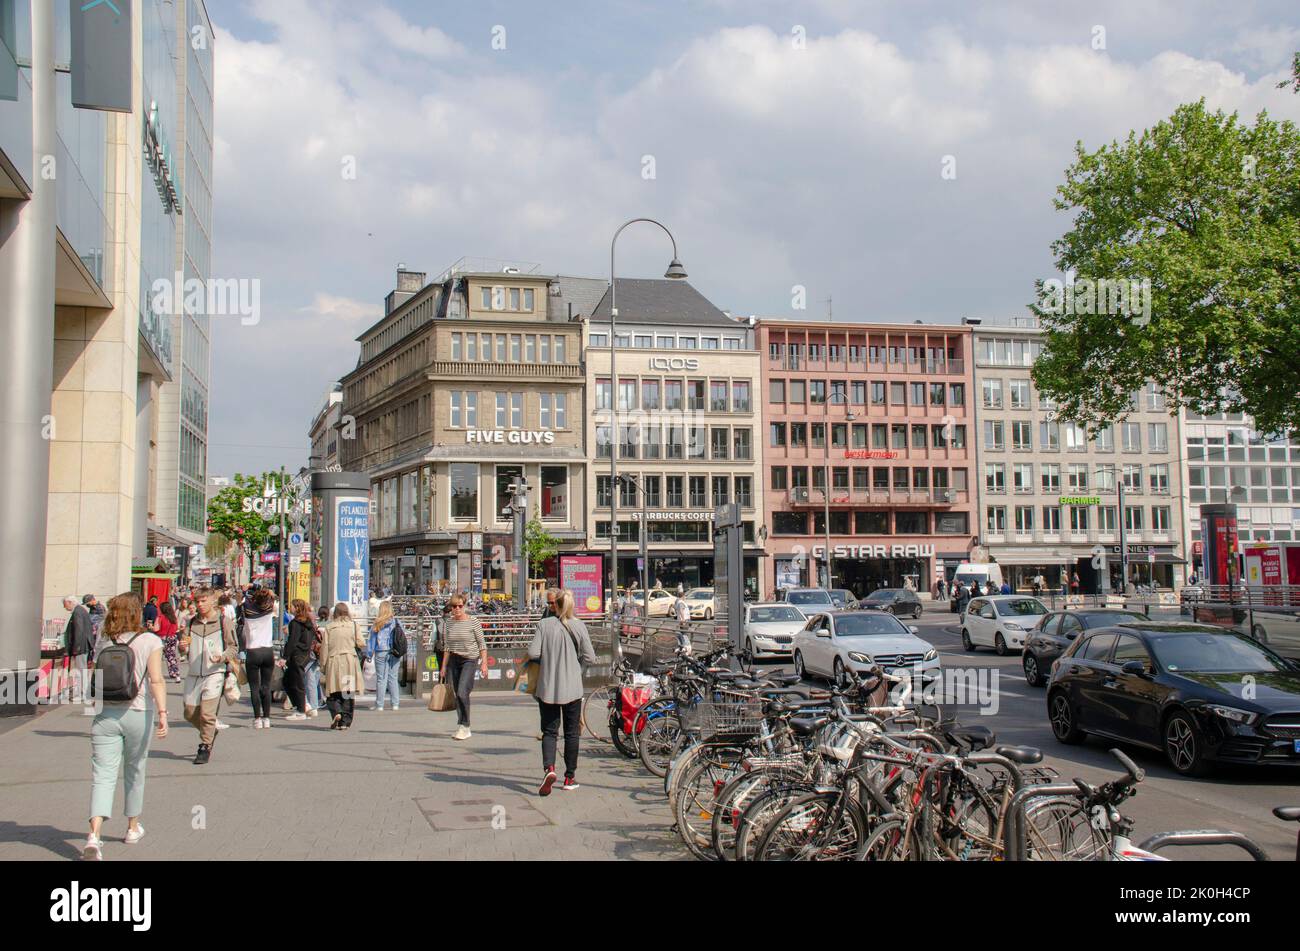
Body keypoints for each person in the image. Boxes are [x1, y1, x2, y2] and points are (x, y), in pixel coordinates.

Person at [82, 592, 167, 860]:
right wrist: (163, 713)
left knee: (102, 776)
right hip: (138, 713)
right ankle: (132, 828)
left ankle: (94, 835)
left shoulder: (104, 640)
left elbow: (96, 676)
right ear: (137, 612)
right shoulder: (150, 640)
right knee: (135, 770)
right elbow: (156, 680)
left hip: (105, 714)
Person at [527, 591, 597, 795]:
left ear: (555, 605)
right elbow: (590, 657)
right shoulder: (579, 625)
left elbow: (533, 653)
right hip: (572, 688)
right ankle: (569, 777)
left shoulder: (544, 625)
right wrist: (577, 668)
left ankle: (549, 769)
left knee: (549, 732)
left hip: (547, 687)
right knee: (571, 733)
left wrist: (548, 659)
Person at [180, 587, 237, 765]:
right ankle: (210, 731)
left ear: (212, 601)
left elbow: (233, 647)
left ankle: (205, 745)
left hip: (215, 672)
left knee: (207, 713)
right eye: (197, 601)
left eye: (203, 601)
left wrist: (223, 657)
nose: (200, 604)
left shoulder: (223, 621)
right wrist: (182, 647)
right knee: (189, 713)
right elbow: (184, 647)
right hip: (194, 673)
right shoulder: (191, 623)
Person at [440, 594, 487, 741]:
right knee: (457, 694)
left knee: (462, 692)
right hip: (454, 659)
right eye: (454, 606)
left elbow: (482, 644)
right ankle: (462, 725)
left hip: (469, 659)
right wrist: (443, 666)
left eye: (460, 606)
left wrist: (484, 663)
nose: (457, 609)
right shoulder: (449, 622)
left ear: (464, 606)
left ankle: (465, 725)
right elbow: (447, 646)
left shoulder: (473, 621)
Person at [321, 603, 366, 730]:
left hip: (334, 660)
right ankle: (345, 722)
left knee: (333, 691)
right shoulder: (354, 625)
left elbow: (325, 648)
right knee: (347, 693)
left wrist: (323, 665)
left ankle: (337, 712)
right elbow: (361, 643)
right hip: (349, 661)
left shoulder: (329, 627)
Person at [238, 587, 277, 729]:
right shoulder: (269, 608)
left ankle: (257, 719)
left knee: (254, 687)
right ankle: (267, 718)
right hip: (268, 650)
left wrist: (248, 590)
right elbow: (272, 596)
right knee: (266, 686)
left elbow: (243, 601)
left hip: (253, 651)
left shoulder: (248, 609)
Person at [280, 600, 317, 720]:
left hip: (296, 655)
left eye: (291, 606)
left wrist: (285, 657)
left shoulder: (295, 623)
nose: (289, 608)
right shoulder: (308, 622)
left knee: (296, 683)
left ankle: (301, 710)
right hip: (305, 654)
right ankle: (302, 705)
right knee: (288, 680)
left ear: (297, 608)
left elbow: (292, 641)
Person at [368, 600, 404, 712]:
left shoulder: (377, 623)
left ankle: (380, 705)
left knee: (381, 679)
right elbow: (402, 636)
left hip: (381, 652)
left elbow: (371, 640)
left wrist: (369, 654)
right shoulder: (397, 622)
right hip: (395, 652)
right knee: (393, 678)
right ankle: (395, 704)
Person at [62, 595, 95, 702]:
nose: (64, 607)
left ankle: (83, 694)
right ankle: (84, 693)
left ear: (70, 602)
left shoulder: (77, 612)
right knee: (82, 670)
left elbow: (79, 630)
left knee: (80, 671)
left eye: (65, 604)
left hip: (81, 646)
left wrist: (76, 647)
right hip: (83, 645)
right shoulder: (81, 611)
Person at [157, 601, 181, 682]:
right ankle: (174, 673)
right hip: (173, 637)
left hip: (163, 638)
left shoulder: (161, 617)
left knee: (162, 657)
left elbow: (156, 629)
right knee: (171, 656)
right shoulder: (173, 617)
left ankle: (175, 673)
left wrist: (151, 627)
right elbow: (176, 628)